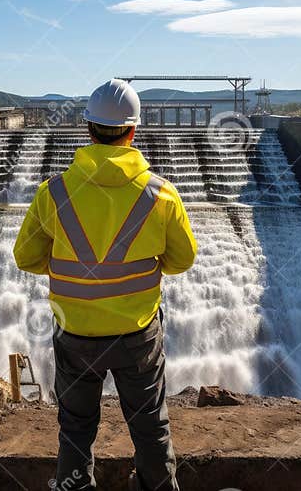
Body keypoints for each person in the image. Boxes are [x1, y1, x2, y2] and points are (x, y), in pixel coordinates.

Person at [13, 79, 197, 491]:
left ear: (88, 129)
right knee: (151, 427)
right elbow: (182, 260)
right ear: (133, 131)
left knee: (76, 431)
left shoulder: (54, 192)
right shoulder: (161, 194)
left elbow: (25, 257)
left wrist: (73, 270)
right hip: (137, 333)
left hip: (75, 332)